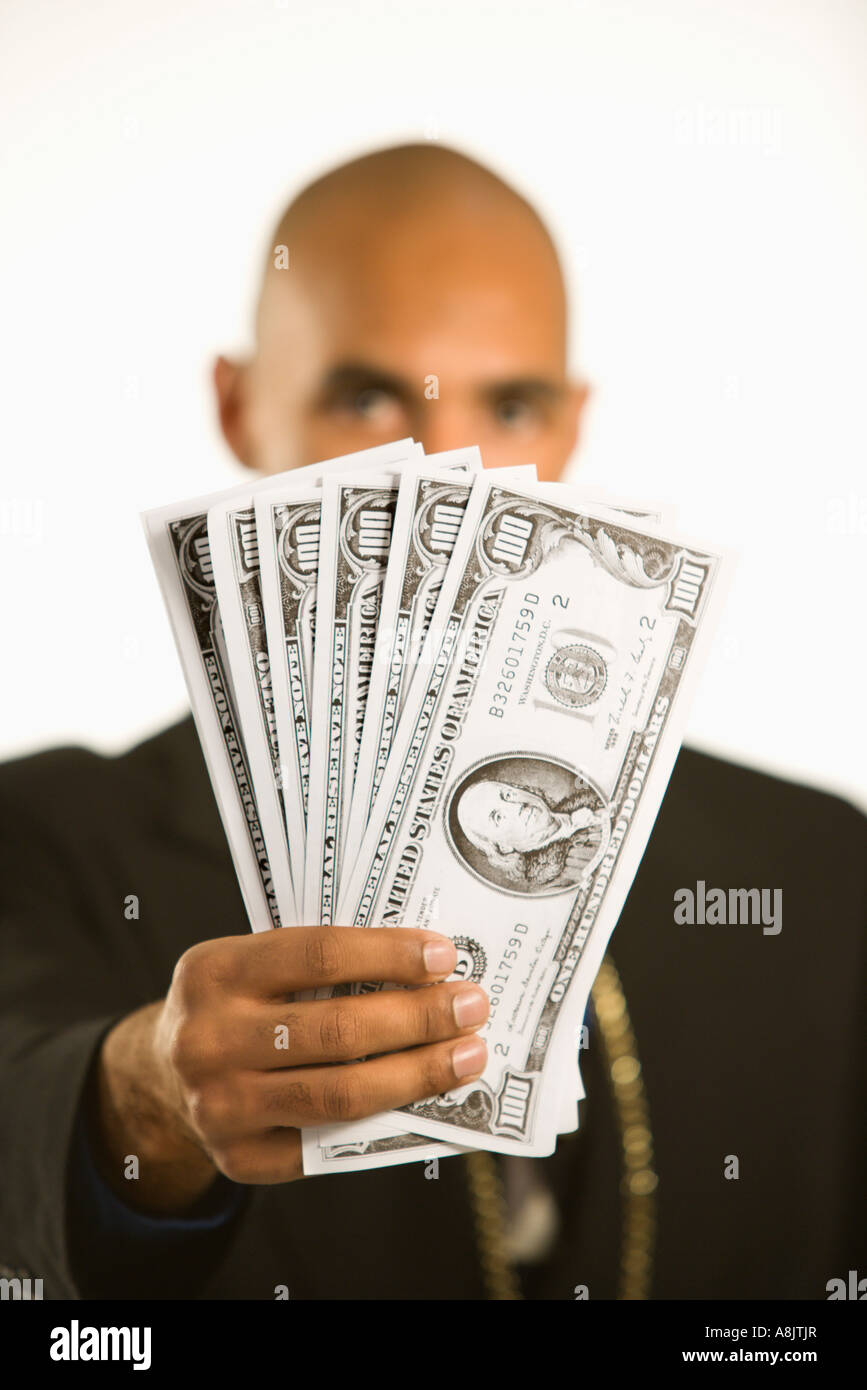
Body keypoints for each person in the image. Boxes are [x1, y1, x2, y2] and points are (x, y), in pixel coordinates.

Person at [0, 144, 864, 1301]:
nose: (451, 477)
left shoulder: (817, 869)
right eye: (366, 397)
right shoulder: (51, 835)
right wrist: (143, 1099)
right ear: (236, 402)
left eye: (512, 403)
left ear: (574, 424)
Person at [455, 778, 607, 890]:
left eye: (507, 795)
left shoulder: (590, 797)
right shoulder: (559, 882)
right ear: (503, 847)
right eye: (498, 817)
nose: (517, 807)